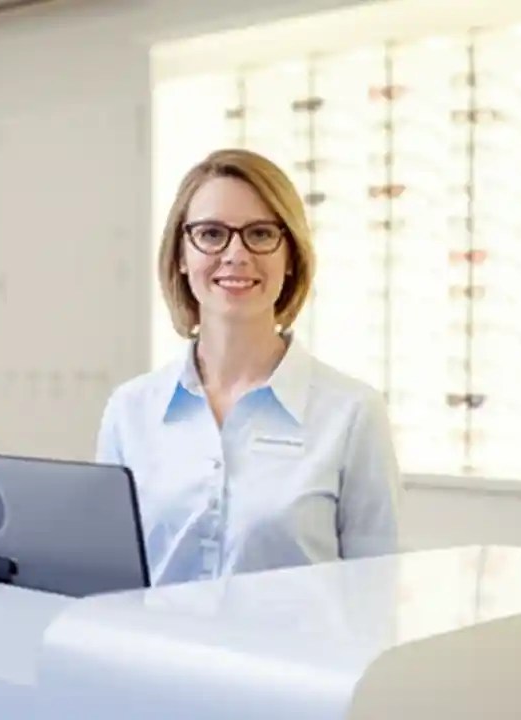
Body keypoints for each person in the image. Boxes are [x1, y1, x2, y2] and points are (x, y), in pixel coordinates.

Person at [96, 148, 401, 586]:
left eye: (260, 234)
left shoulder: (353, 413)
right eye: (211, 234)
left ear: (290, 256)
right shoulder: (129, 410)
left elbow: (375, 593)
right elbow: (108, 587)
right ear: (181, 256)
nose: (236, 254)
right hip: (153, 635)